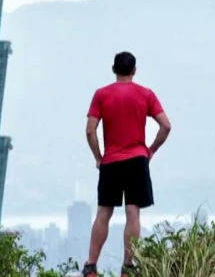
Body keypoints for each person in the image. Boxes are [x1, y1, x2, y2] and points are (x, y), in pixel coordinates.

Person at [82, 51, 171, 277]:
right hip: (137, 160)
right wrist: (150, 150)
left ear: (114, 69)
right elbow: (166, 126)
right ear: (134, 71)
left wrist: (98, 157)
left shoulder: (101, 95)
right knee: (133, 214)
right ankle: (128, 268)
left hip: (111, 161)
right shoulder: (145, 94)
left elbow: (90, 130)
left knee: (104, 212)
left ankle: (91, 266)